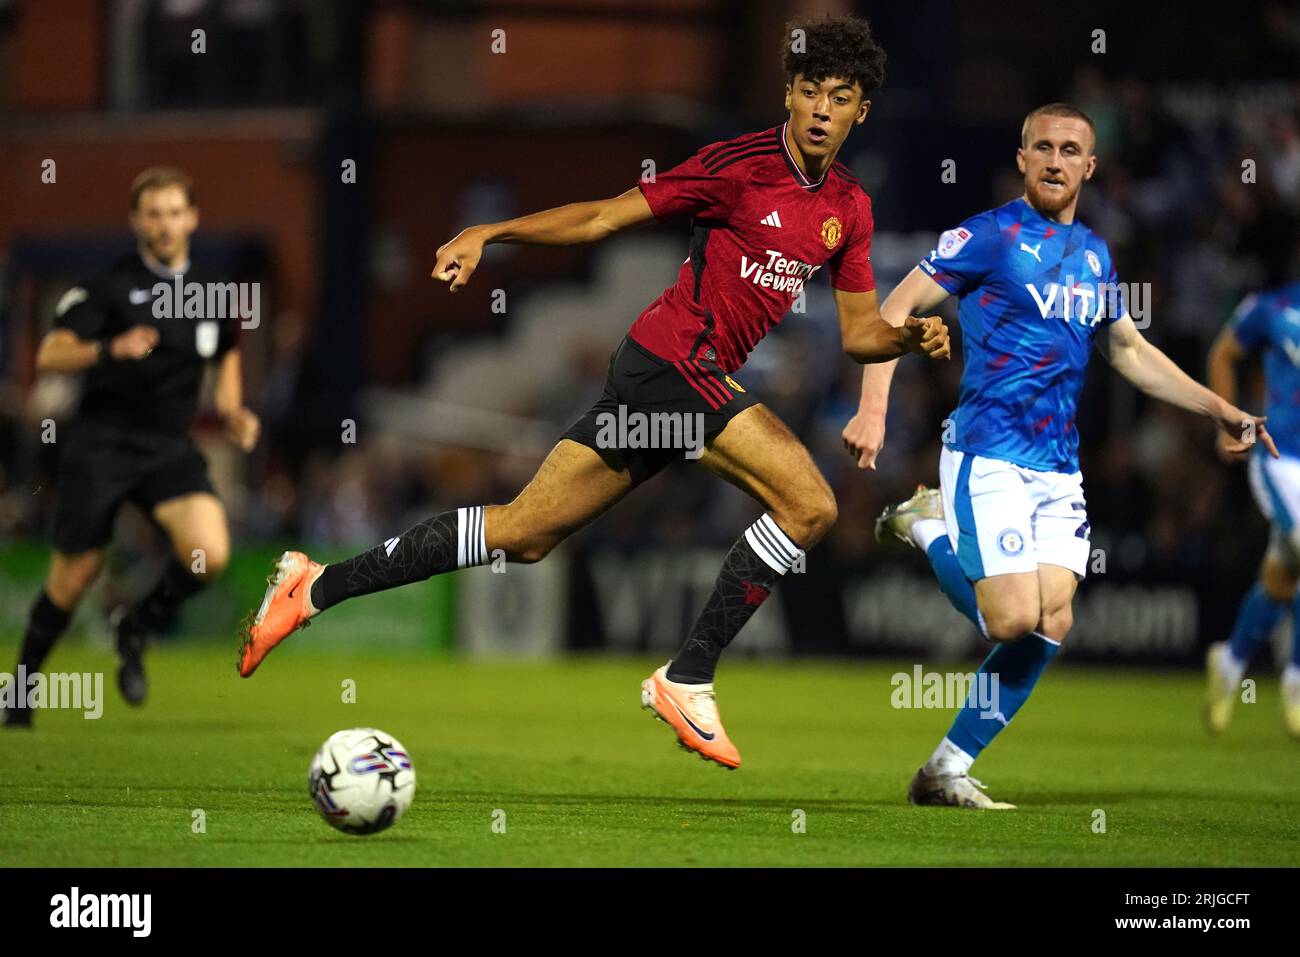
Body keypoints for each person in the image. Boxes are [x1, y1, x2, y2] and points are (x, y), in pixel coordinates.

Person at [237, 14, 950, 770]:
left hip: (670, 382)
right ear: (788, 93)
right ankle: (689, 675)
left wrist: (908, 338)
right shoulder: (736, 166)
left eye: (839, 97)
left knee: (523, 533)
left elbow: (860, 333)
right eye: (809, 90)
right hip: (672, 363)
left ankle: (314, 585)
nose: (820, 109)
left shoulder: (851, 209)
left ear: (861, 110)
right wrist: (492, 232)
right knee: (811, 504)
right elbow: (605, 216)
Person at [844, 103, 1275, 806]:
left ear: (1090, 166)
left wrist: (1219, 407)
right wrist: (873, 408)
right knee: (1011, 619)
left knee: (1053, 622)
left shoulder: (1096, 255)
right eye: (1041, 147)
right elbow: (894, 308)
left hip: (1056, 465)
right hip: (988, 453)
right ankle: (925, 522)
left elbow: (1129, 351)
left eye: (1069, 149)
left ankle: (944, 769)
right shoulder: (989, 236)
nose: (1054, 159)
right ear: (1021, 159)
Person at [3, 167, 259, 728]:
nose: (165, 224)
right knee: (72, 578)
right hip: (101, 445)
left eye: (174, 212)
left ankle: (135, 625)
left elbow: (226, 355)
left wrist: (235, 410)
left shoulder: (214, 293)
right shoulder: (107, 288)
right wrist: (107, 347)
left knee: (210, 554)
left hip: (168, 448)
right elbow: (51, 353)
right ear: (136, 221)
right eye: (153, 213)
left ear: (192, 217)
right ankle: (19, 695)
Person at [1204, 279, 1300, 737]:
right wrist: (1229, 423)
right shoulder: (1272, 306)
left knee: (1284, 573)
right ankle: (1297, 681)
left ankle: (1230, 661)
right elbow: (1224, 353)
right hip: (1280, 459)